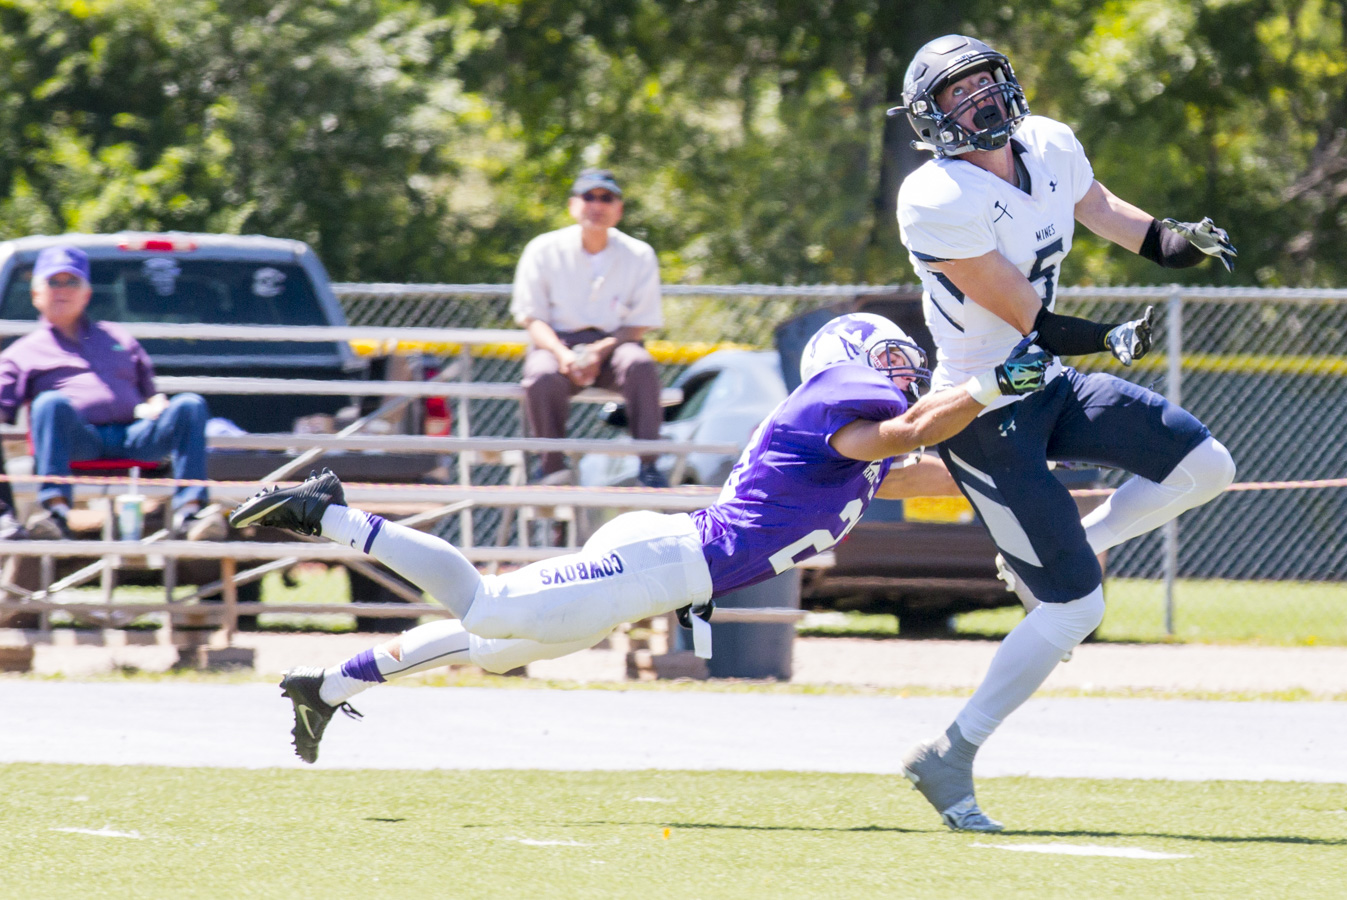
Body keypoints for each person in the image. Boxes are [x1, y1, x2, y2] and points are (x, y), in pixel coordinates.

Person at [230, 314, 1051, 765]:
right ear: (851, 361)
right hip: (669, 560)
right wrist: (990, 386)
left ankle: (328, 685)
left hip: (672, 562)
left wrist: (1046, 453)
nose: (905, 368)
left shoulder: (865, 444)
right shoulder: (850, 399)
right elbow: (911, 436)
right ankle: (327, 511)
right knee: (488, 602)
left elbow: (930, 470)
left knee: (501, 648)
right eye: (892, 356)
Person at [889, 35, 1240, 832]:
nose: (978, 99)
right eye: (957, 93)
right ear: (929, 118)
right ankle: (949, 754)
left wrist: (1177, 245)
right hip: (980, 406)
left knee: (1205, 463)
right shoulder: (935, 195)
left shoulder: (1048, 142)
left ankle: (1068, 547)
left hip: (1043, 384)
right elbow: (1032, 319)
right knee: (1077, 608)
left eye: (984, 82)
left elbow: (1110, 214)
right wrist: (1112, 336)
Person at [0, 245, 225, 541]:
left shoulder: (118, 337)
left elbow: (152, 394)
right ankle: (56, 513)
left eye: (72, 281)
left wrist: (156, 406)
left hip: (135, 435)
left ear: (87, 293)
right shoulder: (21, 353)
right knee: (49, 403)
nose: (62, 290)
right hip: (78, 440)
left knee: (189, 404)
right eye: (54, 281)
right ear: (35, 294)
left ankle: (192, 514)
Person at [512, 168, 669, 487]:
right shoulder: (542, 249)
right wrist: (562, 354)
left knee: (640, 366)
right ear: (573, 205)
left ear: (619, 209)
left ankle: (649, 465)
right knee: (541, 377)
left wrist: (599, 351)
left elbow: (637, 325)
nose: (597, 205)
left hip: (615, 345)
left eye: (606, 197)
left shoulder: (639, 254)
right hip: (556, 343)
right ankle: (552, 466)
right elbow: (532, 318)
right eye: (589, 197)